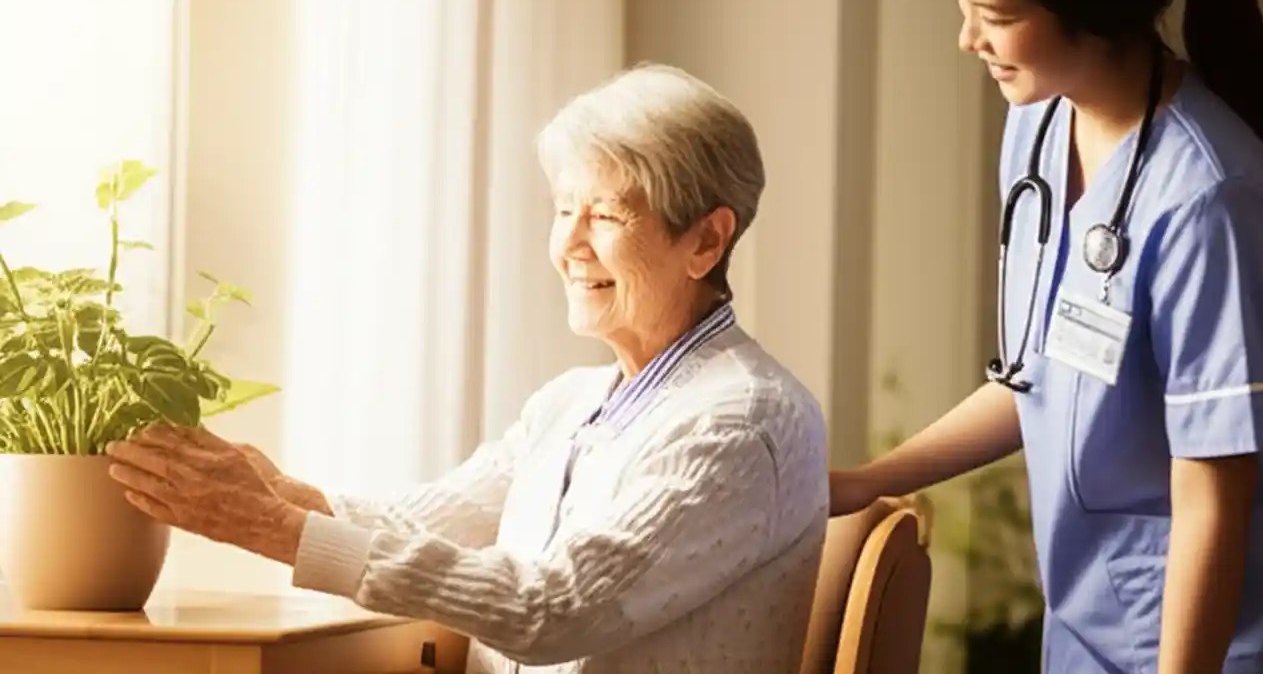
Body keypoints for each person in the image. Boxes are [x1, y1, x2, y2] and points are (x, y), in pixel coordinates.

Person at [106, 63, 830, 673]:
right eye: (563, 209)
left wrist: (270, 524)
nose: (569, 245)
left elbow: (550, 609)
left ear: (706, 240)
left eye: (605, 216)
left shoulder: (739, 423)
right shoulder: (573, 402)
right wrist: (273, 491)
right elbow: (429, 523)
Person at [831, 0, 1263, 672]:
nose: (967, 38)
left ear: (1095, 7)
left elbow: (1214, 497)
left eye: (998, 17)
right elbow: (1039, 379)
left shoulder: (1210, 198)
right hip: (1082, 632)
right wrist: (867, 479)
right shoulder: (1037, 126)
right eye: (963, 5)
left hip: (1200, 645)